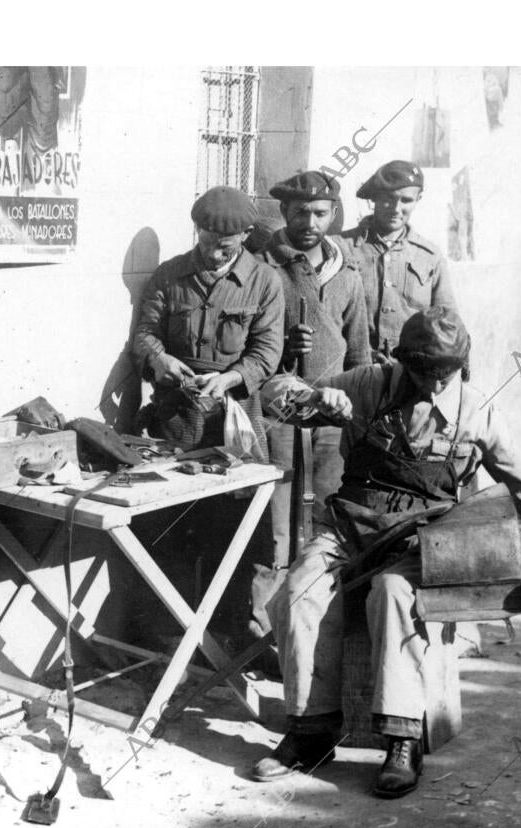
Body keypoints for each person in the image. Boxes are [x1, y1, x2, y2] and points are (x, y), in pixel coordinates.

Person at [252, 306, 521, 798]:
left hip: (424, 538)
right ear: (404, 363)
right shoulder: (370, 382)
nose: (434, 387)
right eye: (423, 374)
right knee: (298, 590)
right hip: (352, 525)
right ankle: (312, 732)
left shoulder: (477, 411)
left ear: (460, 367)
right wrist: (312, 397)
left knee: (394, 594)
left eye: (445, 375)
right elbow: (272, 394)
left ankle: (402, 738)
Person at [250, 172, 370, 640]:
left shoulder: (348, 275)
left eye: (320, 213)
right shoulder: (263, 267)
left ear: (334, 214)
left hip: (333, 424)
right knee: (276, 528)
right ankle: (265, 635)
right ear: (284, 214)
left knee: (326, 525)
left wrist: (358, 417)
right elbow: (251, 351)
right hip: (281, 418)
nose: (310, 222)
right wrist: (282, 345)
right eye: (300, 212)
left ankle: (316, 633)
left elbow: (359, 355)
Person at [132, 185, 284, 460]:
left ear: (246, 234)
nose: (213, 254)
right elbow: (146, 333)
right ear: (197, 230)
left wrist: (230, 378)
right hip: (174, 416)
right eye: (206, 243)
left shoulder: (265, 281)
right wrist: (157, 359)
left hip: (235, 415)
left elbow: (267, 352)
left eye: (225, 247)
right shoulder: (168, 274)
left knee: (231, 497)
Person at [341, 160, 455, 362]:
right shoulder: (343, 248)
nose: (396, 208)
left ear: (418, 199)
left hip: (409, 373)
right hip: (353, 369)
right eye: (388, 199)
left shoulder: (430, 257)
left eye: (406, 200)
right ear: (374, 198)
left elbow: (446, 323)